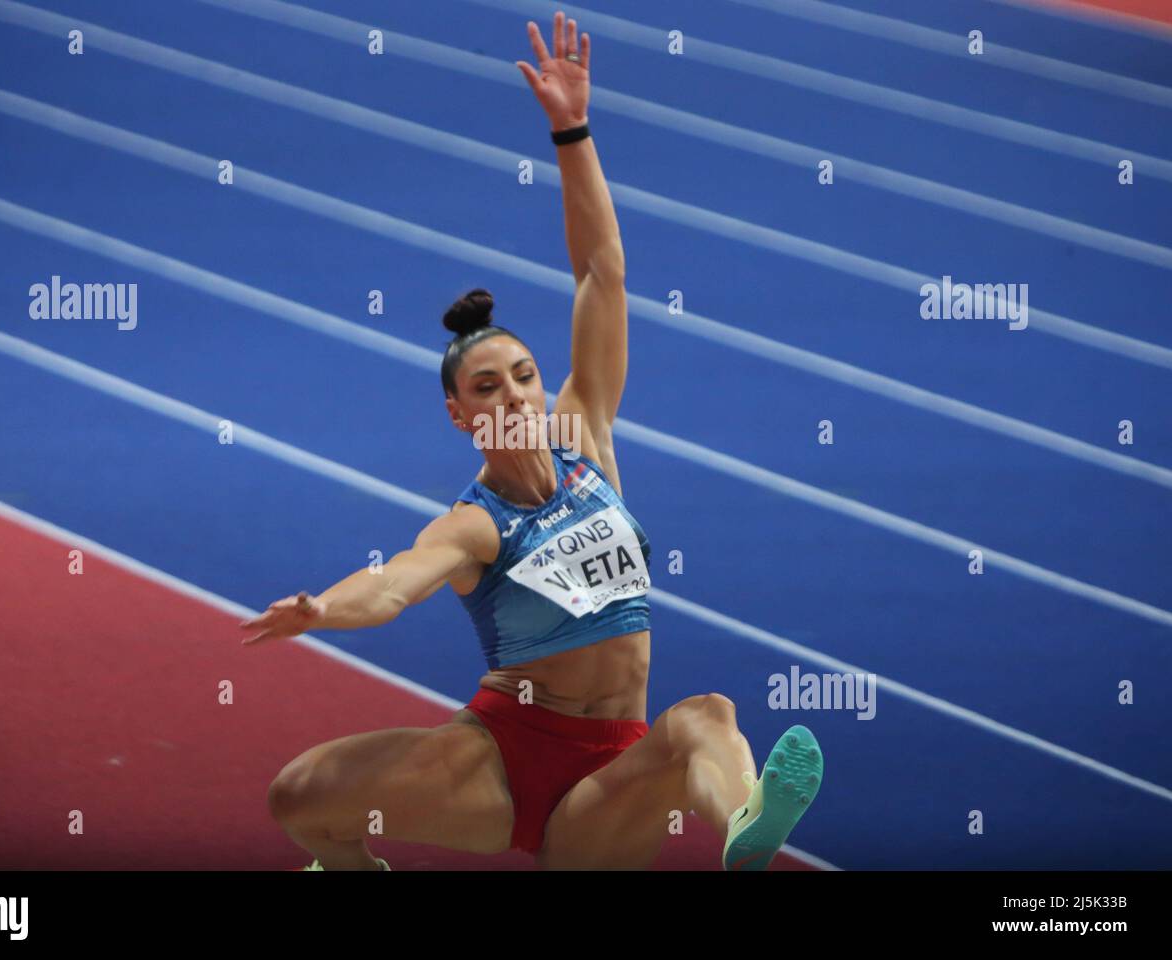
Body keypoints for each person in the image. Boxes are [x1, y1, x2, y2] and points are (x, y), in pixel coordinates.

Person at [240, 10, 822, 871]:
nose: (512, 393)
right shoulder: (474, 526)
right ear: (460, 415)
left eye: (522, 374)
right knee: (298, 794)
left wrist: (571, 129)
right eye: (486, 386)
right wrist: (323, 610)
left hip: (612, 777)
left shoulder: (587, 436)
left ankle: (746, 825)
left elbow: (600, 271)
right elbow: (393, 585)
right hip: (502, 760)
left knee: (707, 716)